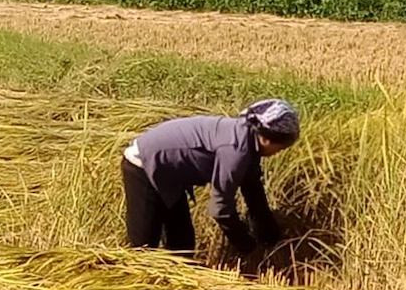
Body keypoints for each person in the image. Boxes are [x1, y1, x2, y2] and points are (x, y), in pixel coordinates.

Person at [121, 99, 300, 259]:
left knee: (182, 246)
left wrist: (269, 236)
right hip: (142, 165)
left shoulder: (246, 137)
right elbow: (220, 209)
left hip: (170, 173)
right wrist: (246, 245)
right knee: (144, 248)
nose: (278, 153)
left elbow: (253, 190)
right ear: (267, 139)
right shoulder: (236, 150)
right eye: (281, 148)